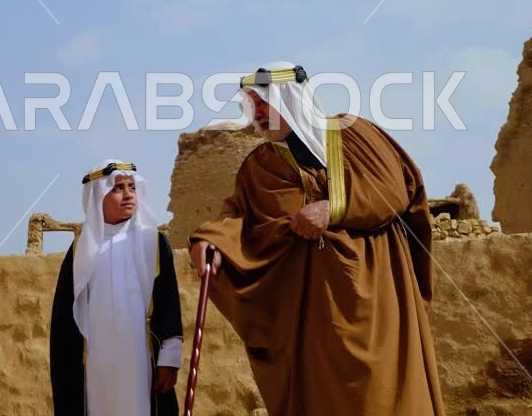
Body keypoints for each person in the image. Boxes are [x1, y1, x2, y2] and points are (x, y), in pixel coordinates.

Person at [189, 61, 445, 415]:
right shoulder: (260, 166)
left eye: (263, 102)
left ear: (292, 98)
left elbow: (394, 191)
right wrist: (211, 242)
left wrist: (333, 209)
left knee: (384, 397)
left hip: (379, 302)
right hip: (313, 314)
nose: (256, 113)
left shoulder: (355, 133)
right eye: (250, 105)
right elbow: (239, 218)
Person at [50, 160, 184, 416]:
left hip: (140, 357)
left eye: (132, 187)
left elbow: (168, 301)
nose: (128, 194)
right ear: (98, 195)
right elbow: (65, 317)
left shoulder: (153, 242)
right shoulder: (82, 249)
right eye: (118, 188)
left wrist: (169, 358)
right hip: (96, 360)